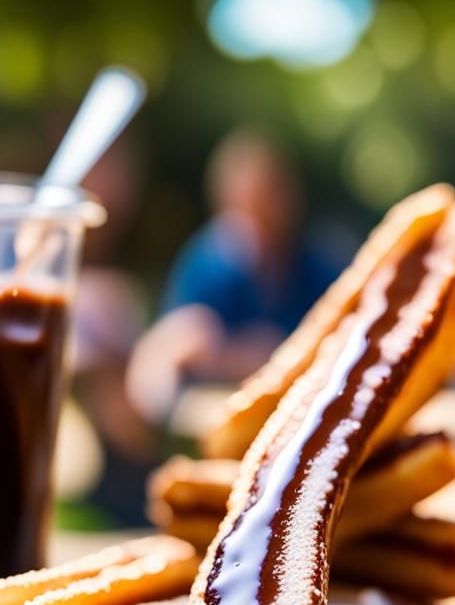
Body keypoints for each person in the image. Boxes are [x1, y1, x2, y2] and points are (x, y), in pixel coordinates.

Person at [126, 128, 347, 422]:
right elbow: (167, 356)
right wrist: (231, 355)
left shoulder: (315, 266)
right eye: (254, 201)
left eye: (274, 194)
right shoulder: (210, 266)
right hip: (220, 417)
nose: (268, 212)